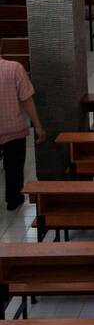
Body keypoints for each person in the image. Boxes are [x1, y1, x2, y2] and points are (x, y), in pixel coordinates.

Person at [0, 51, 45, 210]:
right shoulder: (14, 68)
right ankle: (13, 199)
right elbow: (26, 99)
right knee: (14, 166)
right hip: (13, 127)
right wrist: (37, 126)